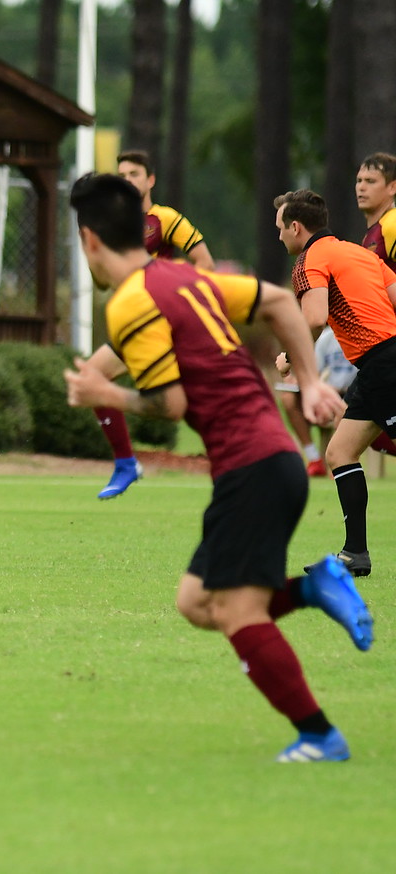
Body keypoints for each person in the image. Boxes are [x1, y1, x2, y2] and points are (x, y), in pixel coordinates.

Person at [64, 173, 371, 763]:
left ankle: (319, 735)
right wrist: (308, 384)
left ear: (90, 241)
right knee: (195, 601)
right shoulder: (185, 277)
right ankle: (315, 587)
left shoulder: (128, 302)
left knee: (233, 611)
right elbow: (280, 301)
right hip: (267, 460)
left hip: (253, 465)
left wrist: (106, 396)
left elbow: (169, 405)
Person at [81, 150, 217, 502]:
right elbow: (100, 283)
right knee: (93, 377)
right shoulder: (113, 226)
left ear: (150, 179)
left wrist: (189, 303)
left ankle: (239, 458)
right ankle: (126, 463)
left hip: (169, 322)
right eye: (121, 174)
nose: (127, 180)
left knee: (197, 401)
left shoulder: (165, 219)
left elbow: (205, 261)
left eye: (134, 173)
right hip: (137, 324)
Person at [274, 189, 396, 578]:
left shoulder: (308, 260)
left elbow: (312, 319)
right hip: (377, 365)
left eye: (279, 228)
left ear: (296, 227)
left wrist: (291, 358)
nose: (278, 236)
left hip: (384, 364)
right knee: (340, 452)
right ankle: (355, 553)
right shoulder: (361, 253)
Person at [275, 328, 356, 477]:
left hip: (355, 395)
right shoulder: (326, 338)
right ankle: (314, 458)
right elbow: (314, 372)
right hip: (327, 394)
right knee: (288, 397)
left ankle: (342, 462)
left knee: (345, 407)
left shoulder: (363, 334)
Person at [355, 151, 396, 270]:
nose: (361, 187)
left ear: (392, 187)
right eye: (359, 181)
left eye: (370, 181)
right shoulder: (376, 230)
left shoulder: (392, 223)